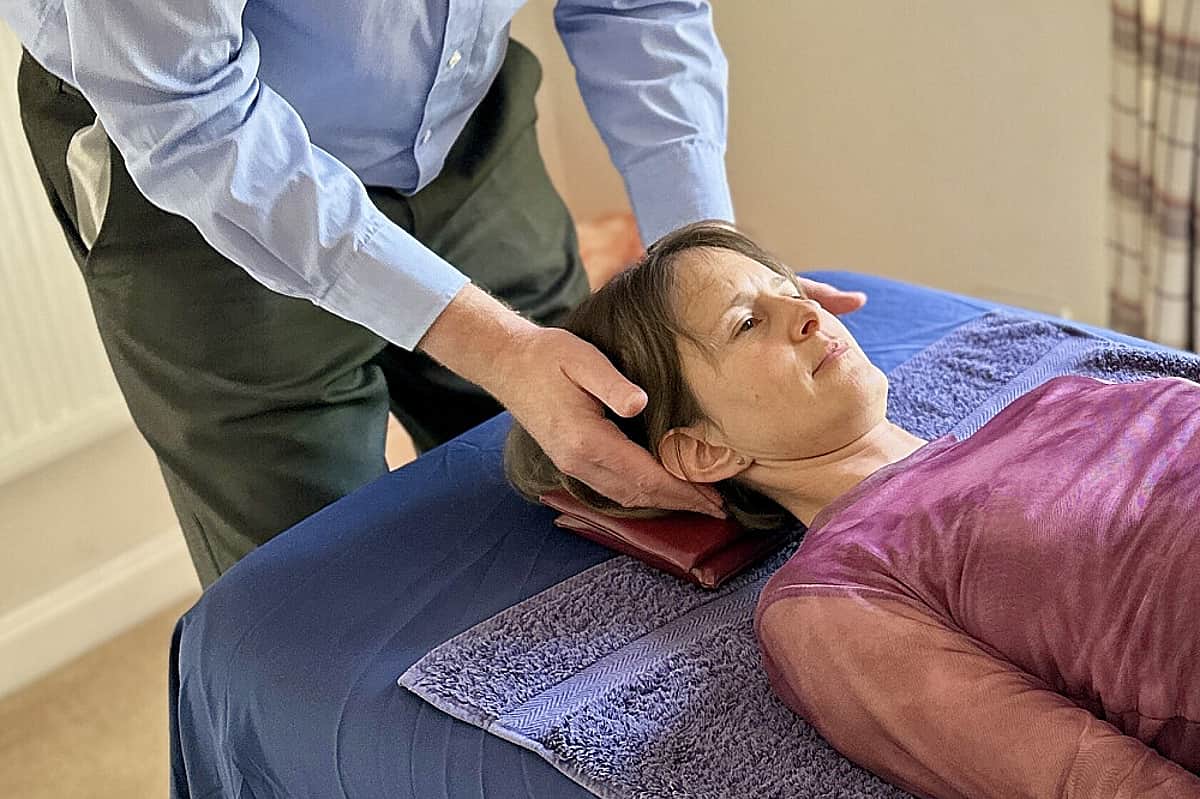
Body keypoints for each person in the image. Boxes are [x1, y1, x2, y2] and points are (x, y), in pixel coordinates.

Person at [1, 0, 868, 586]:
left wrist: (706, 262)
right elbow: (192, 119)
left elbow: (637, 6)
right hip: (193, 175)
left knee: (582, 475)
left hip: (462, 118)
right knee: (323, 590)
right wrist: (497, 345)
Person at [505, 222, 1200, 797]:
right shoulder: (832, 599)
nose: (810, 313)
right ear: (704, 450)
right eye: (748, 323)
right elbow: (1089, 780)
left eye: (788, 292)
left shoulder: (1060, 397)